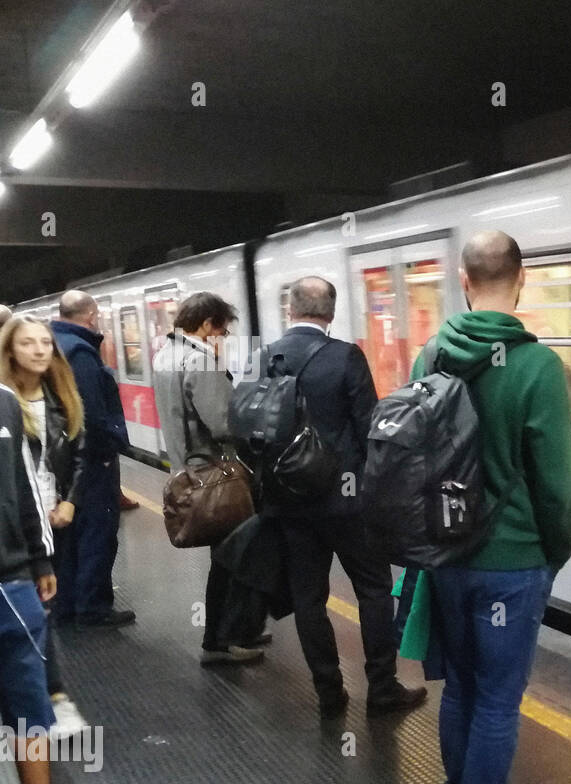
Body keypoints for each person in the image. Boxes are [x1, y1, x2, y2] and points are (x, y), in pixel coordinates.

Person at [424, 231, 571, 784]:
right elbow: (556, 482)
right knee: (496, 698)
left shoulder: (430, 354)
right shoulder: (537, 366)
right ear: (521, 281)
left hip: (445, 555)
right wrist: (554, 549)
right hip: (510, 563)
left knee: (460, 687)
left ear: (464, 280)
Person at [264, 276, 425, 718]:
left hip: (292, 503)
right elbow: (371, 429)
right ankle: (381, 688)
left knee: (308, 599)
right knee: (373, 591)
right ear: (330, 314)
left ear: (290, 310)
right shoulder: (345, 357)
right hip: (347, 501)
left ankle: (329, 693)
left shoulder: (267, 357)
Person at [0, 379, 102, 784]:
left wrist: (41, 560)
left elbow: (22, 486)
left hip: (11, 575)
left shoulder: (4, 403)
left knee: (28, 696)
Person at [153, 292, 265, 666]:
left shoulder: (165, 353)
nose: (225, 338)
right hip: (217, 474)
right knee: (232, 557)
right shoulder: (200, 361)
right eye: (222, 330)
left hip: (190, 471)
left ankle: (233, 630)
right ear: (206, 325)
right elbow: (222, 422)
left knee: (227, 556)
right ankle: (220, 640)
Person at [0, 314, 92, 739]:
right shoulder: (5, 402)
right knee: (37, 606)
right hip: (22, 519)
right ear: (9, 351)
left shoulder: (61, 396)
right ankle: (52, 697)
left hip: (53, 514)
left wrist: (70, 500)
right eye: (27, 343)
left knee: (44, 603)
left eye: (45, 343)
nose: (39, 350)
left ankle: (48, 698)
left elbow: (78, 451)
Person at [50, 291, 134, 627]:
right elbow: (91, 415)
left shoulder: (57, 344)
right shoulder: (82, 352)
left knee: (71, 538)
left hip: (65, 458)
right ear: (91, 316)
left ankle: (68, 604)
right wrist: (111, 444)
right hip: (91, 461)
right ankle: (93, 606)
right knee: (97, 531)